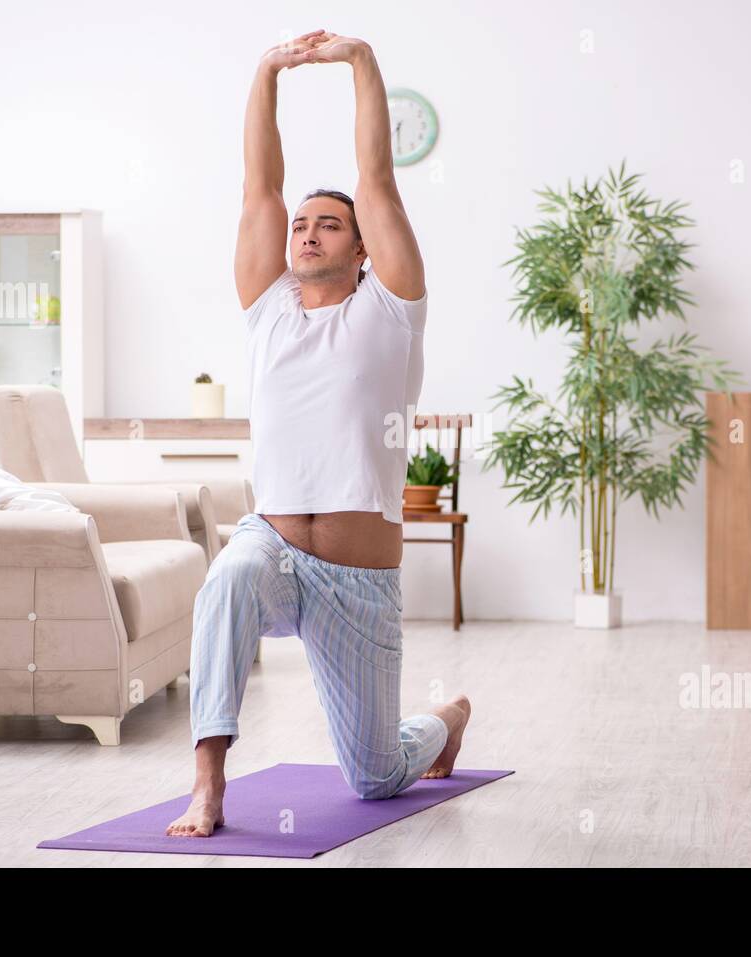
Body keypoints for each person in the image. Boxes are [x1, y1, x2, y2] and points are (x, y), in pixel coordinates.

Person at [167, 30, 472, 838]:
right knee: (228, 577)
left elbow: (378, 178)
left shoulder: (390, 309)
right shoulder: (268, 310)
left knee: (375, 777)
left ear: (364, 246)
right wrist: (267, 71)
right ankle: (207, 785)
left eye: (329, 224)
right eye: (302, 224)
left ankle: (446, 716)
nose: (307, 232)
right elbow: (258, 184)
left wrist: (359, 61)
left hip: (358, 584)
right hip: (272, 547)